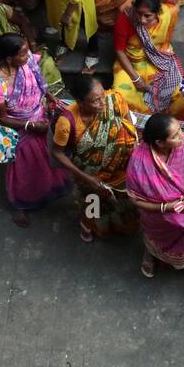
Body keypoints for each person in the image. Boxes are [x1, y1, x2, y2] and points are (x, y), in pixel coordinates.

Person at [0, 33, 70, 227]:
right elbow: (2, 118)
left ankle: (47, 187)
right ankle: (19, 203)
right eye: (22, 54)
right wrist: (30, 126)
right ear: (9, 59)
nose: (28, 56)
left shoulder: (25, 63)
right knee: (23, 168)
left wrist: (49, 96)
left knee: (46, 158)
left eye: (27, 51)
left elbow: (38, 81)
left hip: (39, 118)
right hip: (20, 128)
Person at [125, 113, 184, 278]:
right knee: (156, 236)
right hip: (157, 216)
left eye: (180, 130)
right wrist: (164, 207)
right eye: (175, 136)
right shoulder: (139, 161)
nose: (182, 136)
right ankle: (151, 253)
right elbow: (134, 199)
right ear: (160, 143)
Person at [51, 74, 140, 242]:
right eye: (95, 101)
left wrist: (135, 150)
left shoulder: (115, 100)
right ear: (79, 101)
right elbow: (57, 152)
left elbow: (129, 126)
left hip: (121, 169)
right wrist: (86, 178)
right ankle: (89, 224)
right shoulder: (67, 122)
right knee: (94, 205)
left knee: (122, 202)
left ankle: (119, 225)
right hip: (89, 176)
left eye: (102, 96)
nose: (103, 103)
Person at [113, 0, 184, 120]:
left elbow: (174, 6)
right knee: (121, 96)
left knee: (180, 94)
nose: (141, 19)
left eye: (147, 16)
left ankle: (168, 124)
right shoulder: (125, 20)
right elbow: (119, 51)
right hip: (131, 62)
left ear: (158, 13)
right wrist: (135, 78)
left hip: (159, 59)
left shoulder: (168, 15)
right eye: (139, 13)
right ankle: (138, 127)